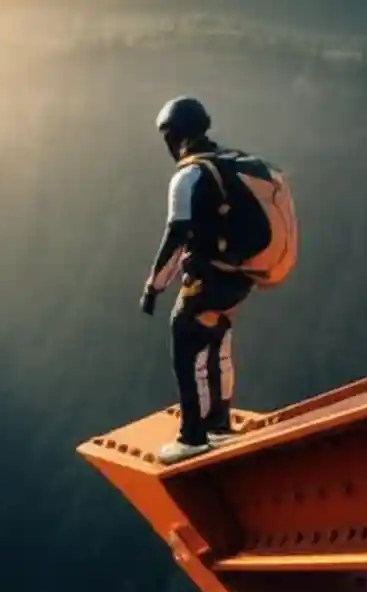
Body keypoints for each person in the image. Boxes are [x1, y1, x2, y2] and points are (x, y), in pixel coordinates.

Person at [140, 96, 291, 466]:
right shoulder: (229, 162)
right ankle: (219, 424)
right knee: (218, 341)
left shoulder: (189, 175)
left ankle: (193, 435)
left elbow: (176, 236)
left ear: (172, 135)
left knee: (185, 341)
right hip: (241, 276)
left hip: (208, 279)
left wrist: (154, 285)